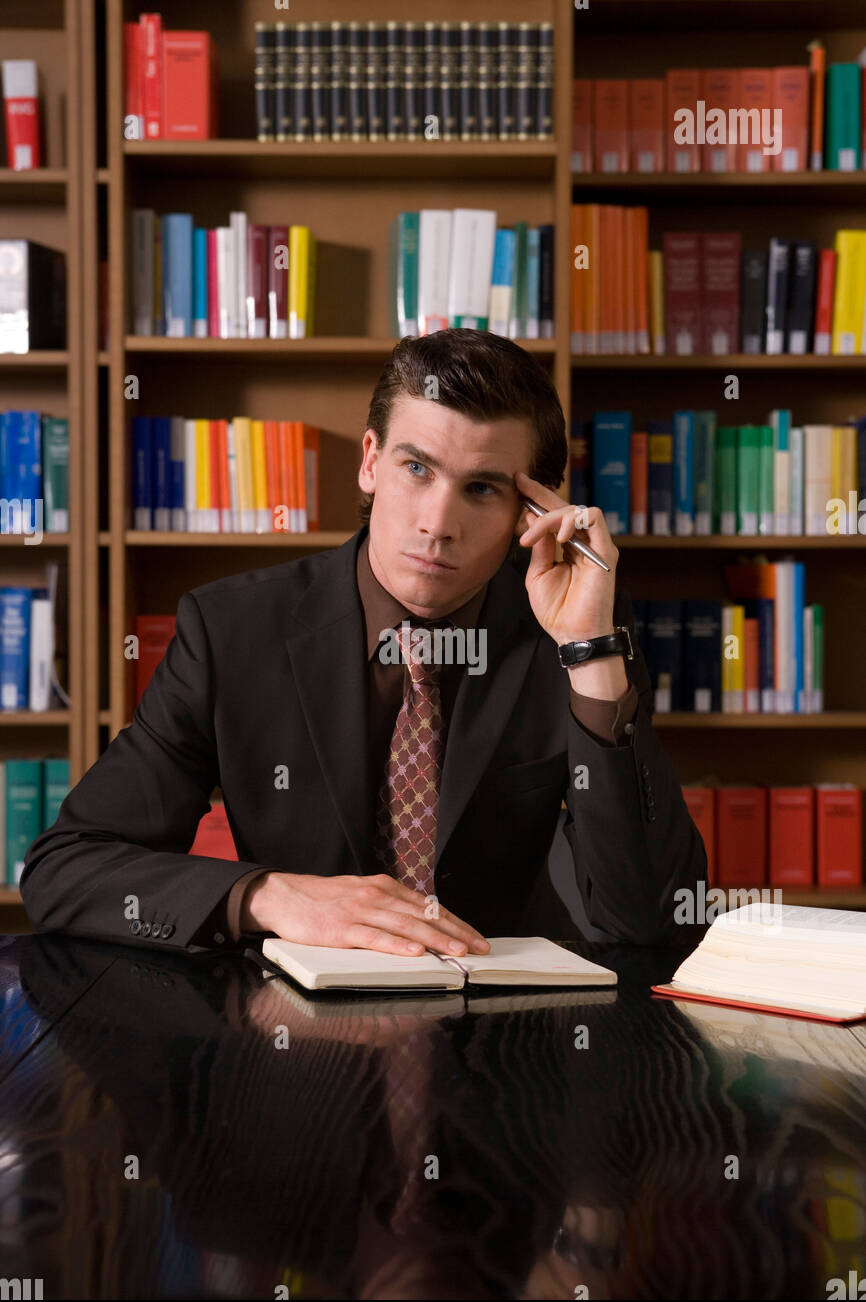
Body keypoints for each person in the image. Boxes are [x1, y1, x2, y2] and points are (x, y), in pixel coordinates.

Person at [20, 328, 706, 956]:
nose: (439, 523)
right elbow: (64, 866)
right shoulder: (231, 632)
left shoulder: (577, 637)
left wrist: (590, 651)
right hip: (291, 1039)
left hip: (509, 1039)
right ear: (371, 463)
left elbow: (654, 920)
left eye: (482, 488)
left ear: (534, 514)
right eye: (417, 468)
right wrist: (265, 896)